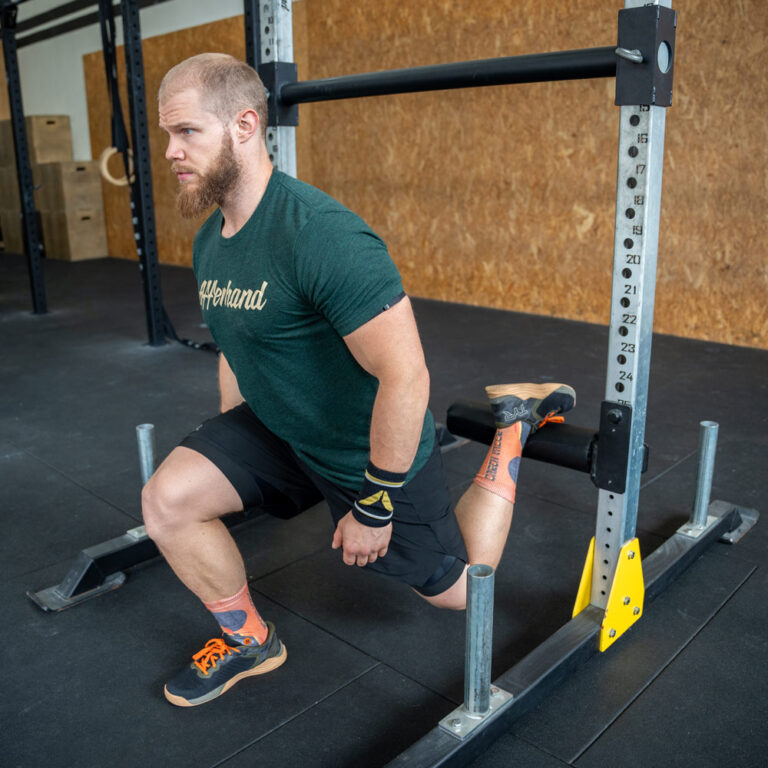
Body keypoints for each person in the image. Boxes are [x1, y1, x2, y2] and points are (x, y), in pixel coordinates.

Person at [147, 53, 575, 708]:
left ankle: (515, 422)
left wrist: (374, 504)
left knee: (460, 589)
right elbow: (238, 344)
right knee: (167, 501)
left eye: (186, 132)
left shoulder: (323, 237)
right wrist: (237, 445)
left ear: (244, 125)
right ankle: (249, 641)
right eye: (167, 134)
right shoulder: (214, 239)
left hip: (361, 447)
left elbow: (405, 374)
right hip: (286, 430)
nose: (171, 152)